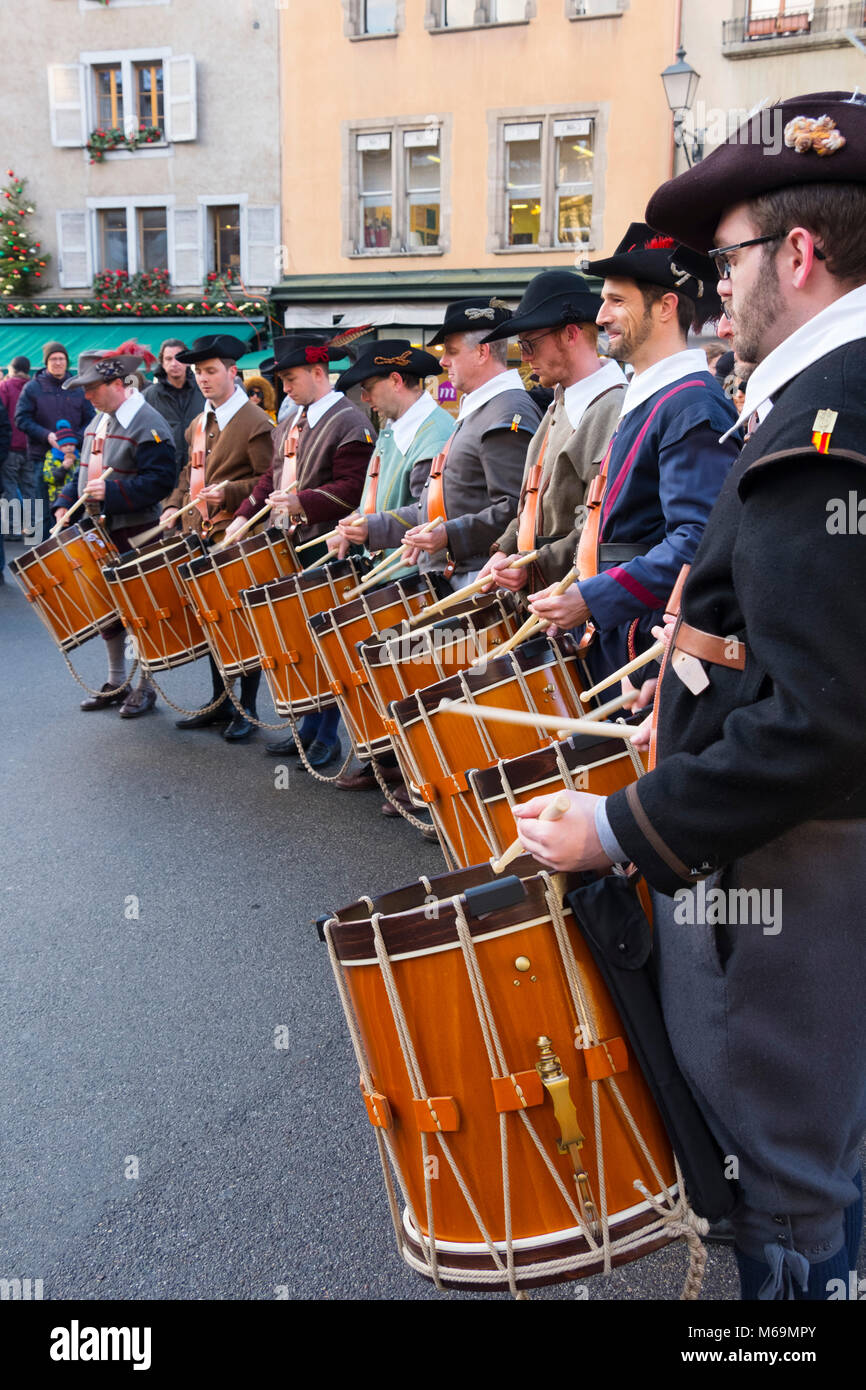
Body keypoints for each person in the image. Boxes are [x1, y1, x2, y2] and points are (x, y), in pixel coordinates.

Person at [514, 89, 866, 1301]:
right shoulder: (811, 406)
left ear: (798, 255)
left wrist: (618, 827)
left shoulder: (829, 425)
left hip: (802, 881)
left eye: (723, 261)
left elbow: (823, 717)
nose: (711, 290)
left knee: (791, 1206)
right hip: (800, 866)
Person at [526, 225, 739, 683]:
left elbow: (698, 541)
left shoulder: (691, 404)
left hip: (647, 647)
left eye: (617, 301)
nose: (600, 316)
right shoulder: (654, 398)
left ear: (666, 306)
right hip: (620, 634)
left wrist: (594, 598)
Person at [314, 338, 454, 809]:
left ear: (397, 380)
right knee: (386, 672)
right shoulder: (394, 428)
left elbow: (425, 511)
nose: (365, 400)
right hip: (385, 565)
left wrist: (367, 529)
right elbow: (372, 496)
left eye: (370, 388)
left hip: (416, 572)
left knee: (411, 675)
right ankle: (389, 760)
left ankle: (417, 773)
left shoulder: (436, 433)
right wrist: (348, 527)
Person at [225, 333, 377, 767]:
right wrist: (243, 515)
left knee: (324, 642)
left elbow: (354, 489)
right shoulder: (291, 419)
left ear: (317, 372)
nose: (285, 388)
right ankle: (304, 726)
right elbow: (270, 480)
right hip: (287, 544)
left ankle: (327, 734)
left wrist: (303, 502)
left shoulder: (352, 421)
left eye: (290, 379)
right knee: (294, 638)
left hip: (324, 546)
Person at [360, 299, 542, 589]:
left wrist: (448, 534)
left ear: (483, 352)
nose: (443, 362)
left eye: (452, 352)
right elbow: (451, 499)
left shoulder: (506, 411)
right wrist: (418, 532)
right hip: (457, 571)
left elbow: (516, 509)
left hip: (478, 577)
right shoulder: (485, 407)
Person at [472, 269, 626, 596]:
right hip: (545, 597)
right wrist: (506, 548)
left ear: (570, 334)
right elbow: (529, 504)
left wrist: (534, 565)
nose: (525, 358)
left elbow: (597, 522)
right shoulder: (560, 400)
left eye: (530, 344)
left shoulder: (615, 407)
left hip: (573, 602)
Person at [160, 334, 274, 742]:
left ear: (232, 372)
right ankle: (218, 702)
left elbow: (268, 481)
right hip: (198, 535)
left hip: (234, 536)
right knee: (211, 623)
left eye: (211, 371)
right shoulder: (198, 422)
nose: (204, 380)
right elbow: (186, 475)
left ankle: (247, 709)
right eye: (199, 373)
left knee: (239, 625)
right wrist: (174, 504)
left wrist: (229, 492)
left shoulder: (256, 422)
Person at [52, 344, 176, 718]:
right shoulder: (99, 419)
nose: (86, 396)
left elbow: (161, 482)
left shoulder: (149, 422)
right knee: (109, 613)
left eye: (92, 388)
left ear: (118, 383)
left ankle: (145, 687)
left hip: (137, 530)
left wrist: (114, 493)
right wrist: (64, 502)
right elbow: (84, 471)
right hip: (100, 530)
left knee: (141, 612)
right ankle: (116, 680)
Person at [16, 342, 94, 543]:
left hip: (74, 458)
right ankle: (44, 551)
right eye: (53, 359)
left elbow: (91, 419)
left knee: (72, 509)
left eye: (61, 359)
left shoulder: (78, 386)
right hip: (41, 458)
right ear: (46, 362)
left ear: (66, 361)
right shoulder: (32, 388)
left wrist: (73, 439)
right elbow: (21, 418)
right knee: (43, 510)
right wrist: (46, 436)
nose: (58, 363)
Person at [143, 339, 204, 483]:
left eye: (178, 358)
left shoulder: (203, 390)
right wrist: (159, 441)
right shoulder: (149, 395)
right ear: (162, 363)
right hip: (165, 469)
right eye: (168, 359)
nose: (174, 363)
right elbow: (146, 429)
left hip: (200, 466)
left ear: (188, 361)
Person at [0, 356, 33, 539]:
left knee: (9, 487)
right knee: (30, 488)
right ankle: (31, 529)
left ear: (12, 369)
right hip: (30, 446)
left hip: (10, 446)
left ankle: (11, 529)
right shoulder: (33, 388)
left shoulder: (4, 387)